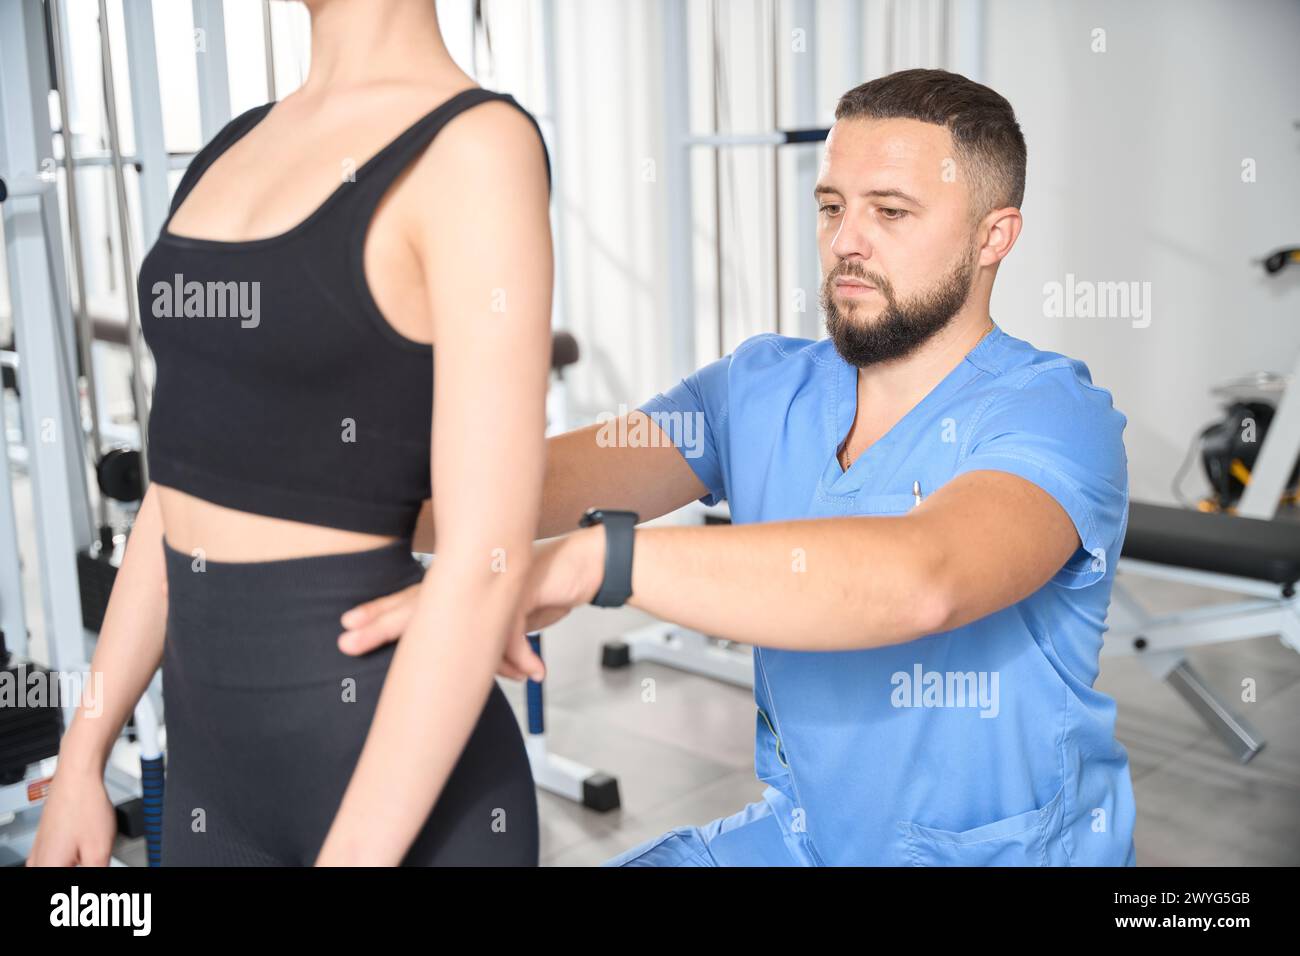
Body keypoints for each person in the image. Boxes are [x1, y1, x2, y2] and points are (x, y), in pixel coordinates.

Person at [343, 68, 1138, 866]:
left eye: (890, 212)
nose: (846, 242)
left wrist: (596, 561)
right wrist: (309, 484)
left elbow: (924, 579)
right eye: (832, 207)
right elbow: (539, 483)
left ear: (993, 236)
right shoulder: (758, 389)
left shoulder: (1054, 414)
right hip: (803, 843)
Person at [28, 0, 553, 866]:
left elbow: (483, 561)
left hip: (397, 798)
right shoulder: (234, 145)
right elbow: (178, 489)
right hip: (212, 792)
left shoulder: (477, 147)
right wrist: (85, 755)